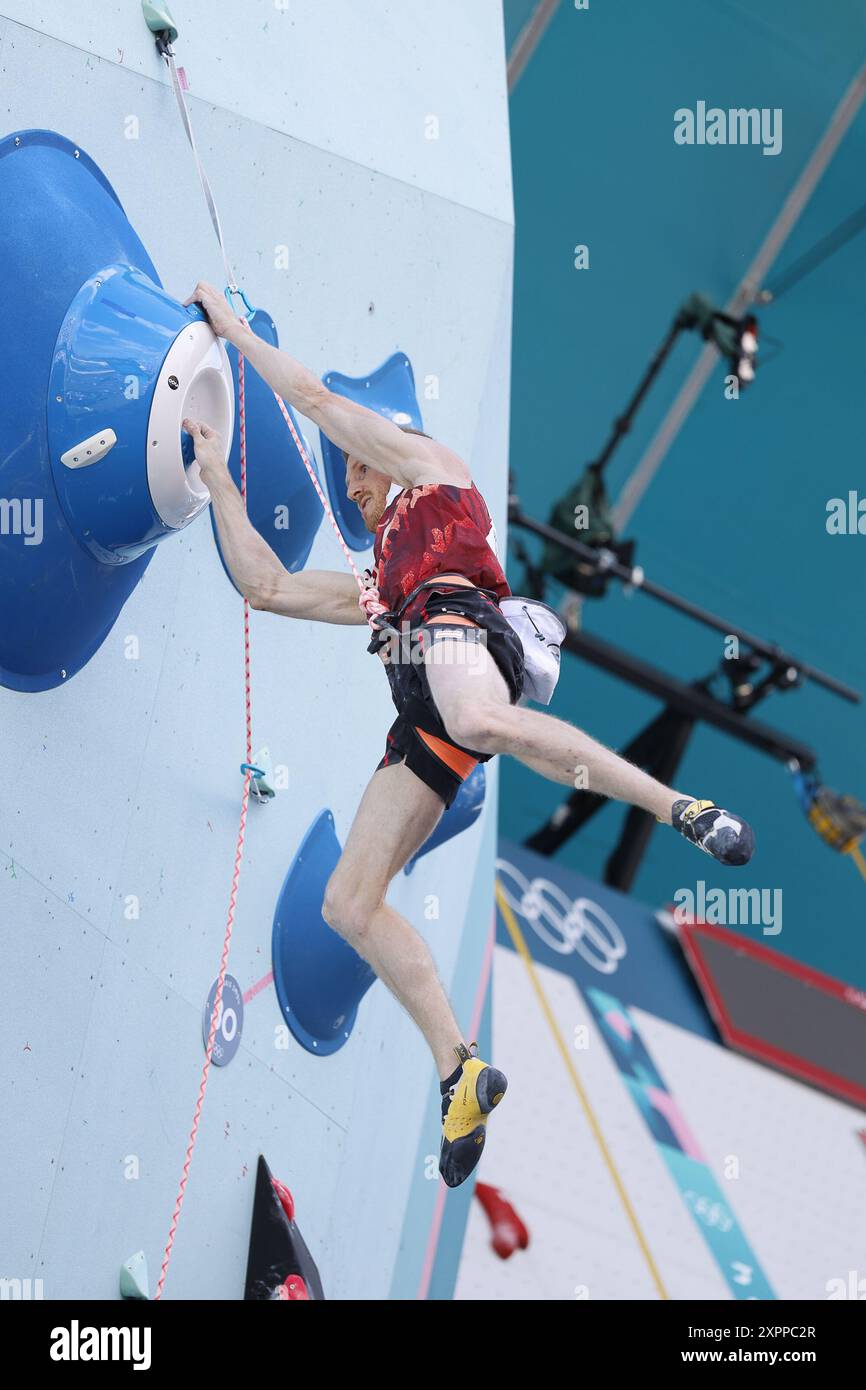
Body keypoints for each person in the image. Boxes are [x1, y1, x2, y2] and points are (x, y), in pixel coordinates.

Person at [182, 281, 755, 1188]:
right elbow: (269, 588)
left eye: (359, 471)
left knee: (480, 714)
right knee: (347, 903)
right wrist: (214, 474)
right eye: (353, 482)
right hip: (422, 704)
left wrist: (234, 330)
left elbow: (322, 404)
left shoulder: (432, 476)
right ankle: (459, 1070)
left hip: (459, 635)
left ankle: (676, 804)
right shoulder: (377, 581)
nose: (357, 488)